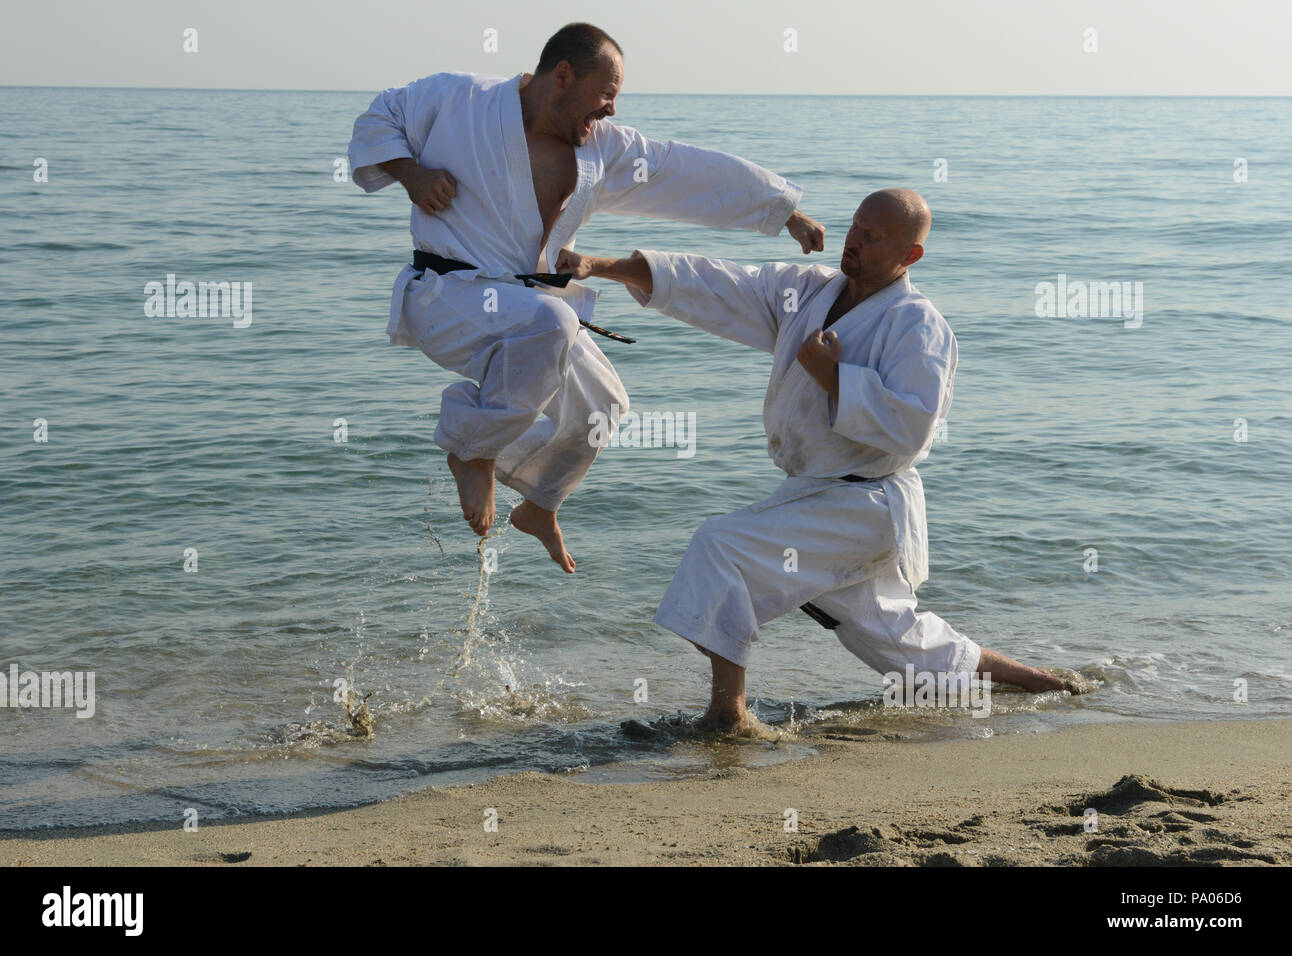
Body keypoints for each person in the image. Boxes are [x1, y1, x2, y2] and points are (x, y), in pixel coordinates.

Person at [556, 188, 1071, 732]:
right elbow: (711, 280)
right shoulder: (807, 292)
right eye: (854, 227)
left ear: (910, 256)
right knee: (901, 645)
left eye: (873, 237)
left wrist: (832, 376)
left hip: (864, 502)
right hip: (818, 494)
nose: (854, 241)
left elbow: (913, 430)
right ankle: (1044, 683)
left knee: (721, 547)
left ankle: (728, 714)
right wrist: (597, 265)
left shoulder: (918, 325)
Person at [347, 22, 825, 572]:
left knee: (603, 404)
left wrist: (782, 210)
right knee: (552, 320)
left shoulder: (602, 151)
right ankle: (472, 449)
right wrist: (411, 173)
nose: (612, 111)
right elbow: (379, 115)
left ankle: (540, 503)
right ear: (564, 76)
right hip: (447, 298)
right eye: (606, 95)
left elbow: (686, 167)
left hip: (525, 317)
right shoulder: (458, 98)